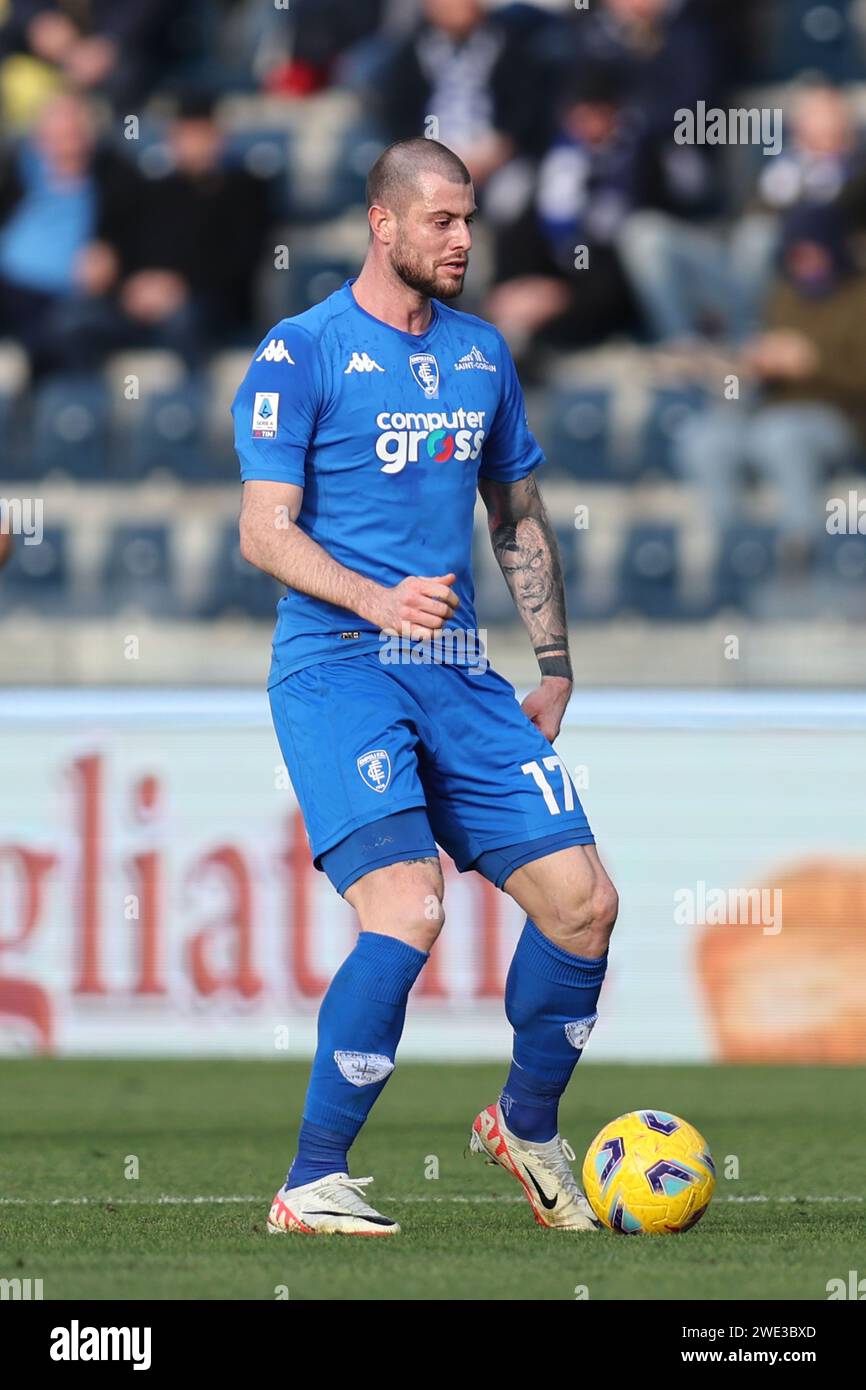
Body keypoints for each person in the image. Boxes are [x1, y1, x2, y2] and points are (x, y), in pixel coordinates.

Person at [232, 137, 618, 1237]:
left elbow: (516, 514)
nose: (461, 238)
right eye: (441, 220)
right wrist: (373, 600)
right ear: (382, 223)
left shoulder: (480, 355)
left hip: (458, 674)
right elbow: (265, 533)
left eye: (469, 219)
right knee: (408, 903)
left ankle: (526, 1125)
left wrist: (552, 664)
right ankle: (312, 1181)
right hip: (339, 667)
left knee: (584, 905)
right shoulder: (297, 353)